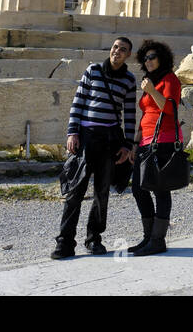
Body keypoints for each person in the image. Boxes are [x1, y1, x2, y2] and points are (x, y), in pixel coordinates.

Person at [52, 36, 136, 260]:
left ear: (128, 55)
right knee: (75, 192)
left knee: (102, 192)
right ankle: (65, 242)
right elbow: (78, 102)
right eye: (115, 47)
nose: (117, 51)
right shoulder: (93, 70)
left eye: (123, 50)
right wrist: (72, 133)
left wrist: (128, 145)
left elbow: (129, 115)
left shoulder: (129, 80)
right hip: (87, 138)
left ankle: (93, 239)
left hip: (110, 139)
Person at [128, 40, 182, 257]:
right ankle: (148, 237)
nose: (148, 61)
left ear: (162, 58)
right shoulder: (148, 81)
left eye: (152, 57)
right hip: (145, 141)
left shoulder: (170, 79)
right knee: (138, 188)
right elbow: (146, 114)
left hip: (164, 140)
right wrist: (135, 142)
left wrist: (151, 90)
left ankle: (158, 240)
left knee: (160, 188)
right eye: (145, 58)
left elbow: (169, 108)